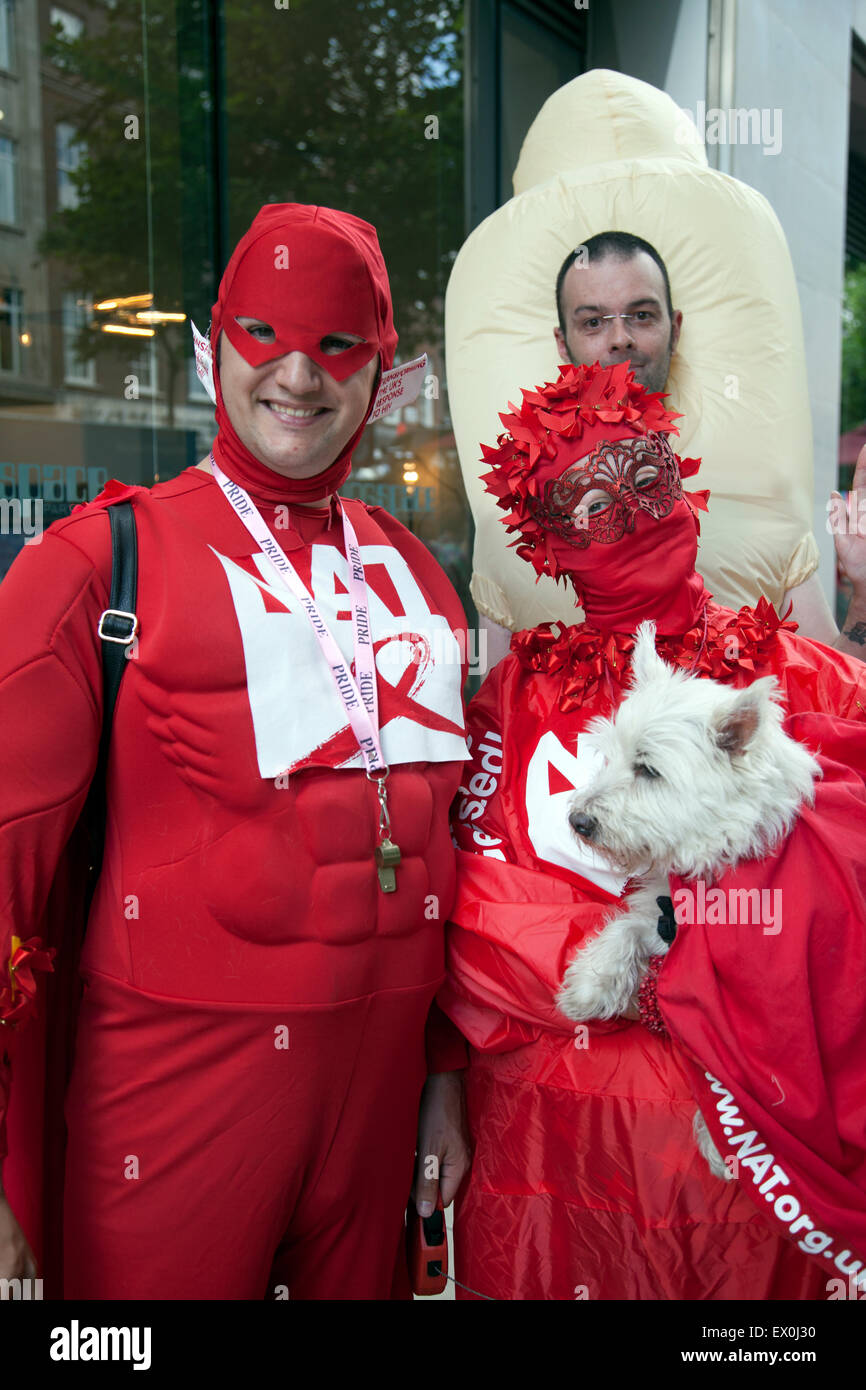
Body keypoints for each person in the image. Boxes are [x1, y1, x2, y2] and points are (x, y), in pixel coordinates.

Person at [0, 203, 471, 1300]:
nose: (298, 378)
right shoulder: (92, 566)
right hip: (171, 1094)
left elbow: (453, 848)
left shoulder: (416, 574)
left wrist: (442, 1075)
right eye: (265, 338)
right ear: (215, 351)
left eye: (336, 346)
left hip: (380, 1098)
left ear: (380, 373)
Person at [439, 359, 866, 1300]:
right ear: (544, 540)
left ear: (684, 479)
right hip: (561, 1157)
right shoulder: (510, 701)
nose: (627, 515)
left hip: (760, 1171)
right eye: (587, 501)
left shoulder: (808, 682)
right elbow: (462, 906)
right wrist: (655, 964)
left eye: (643, 477)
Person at [480, 231, 866, 667]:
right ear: (561, 341)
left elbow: (841, 699)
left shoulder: (762, 489)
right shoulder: (510, 519)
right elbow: (497, 723)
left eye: (641, 315)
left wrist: (864, 598)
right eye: (593, 321)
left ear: (674, 328)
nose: (620, 337)